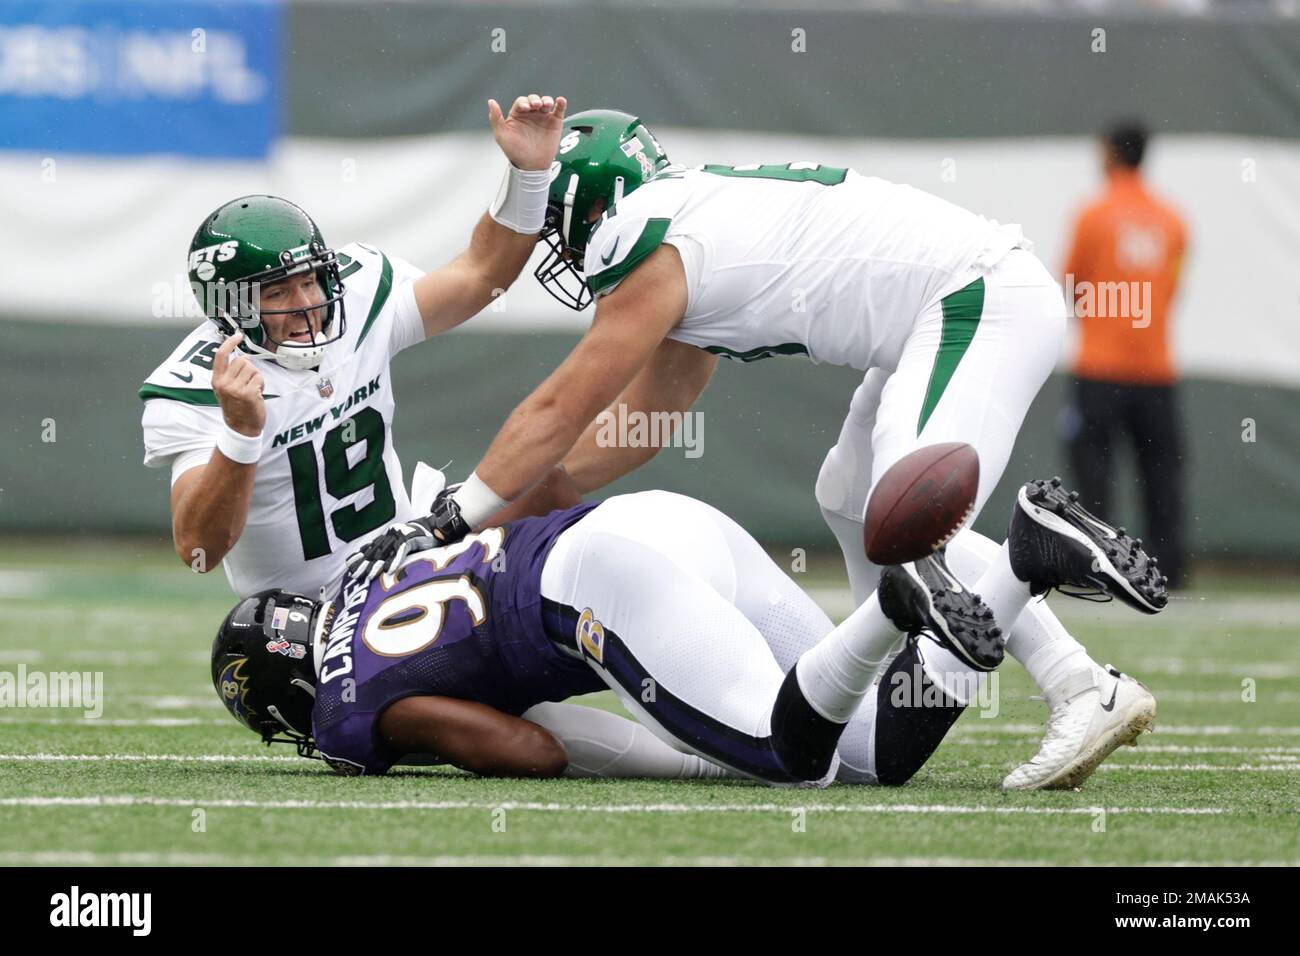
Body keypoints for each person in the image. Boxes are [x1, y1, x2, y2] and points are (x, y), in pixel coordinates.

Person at [350, 109, 1167, 790]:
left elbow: (564, 404)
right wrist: (537, 491)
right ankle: (1019, 655)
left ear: (588, 208)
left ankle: (1074, 668)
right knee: (851, 500)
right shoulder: (686, 225)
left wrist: (450, 517)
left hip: (974, 304)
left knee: (907, 524)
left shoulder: (640, 235)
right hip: (948, 310)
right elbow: (651, 415)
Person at [214, 473, 1165, 787]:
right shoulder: (379, 573)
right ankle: (1023, 557)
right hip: (661, 523)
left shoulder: (343, 708)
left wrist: (424, 743)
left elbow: (528, 751)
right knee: (872, 751)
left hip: (597, 587)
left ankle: (895, 601)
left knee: (788, 756)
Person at [139, 94, 568, 599]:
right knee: (250, 655)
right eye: (277, 292)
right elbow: (199, 551)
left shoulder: (360, 298)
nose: (305, 305)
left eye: (310, 281)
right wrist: (240, 433)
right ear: (229, 308)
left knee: (548, 488)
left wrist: (528, 172)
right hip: (304, 616)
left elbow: (482, 274)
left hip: (405, 563)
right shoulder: (195, 387)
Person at [1063, 121, 1189, 588]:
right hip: (1156, 369)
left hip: (1099, 367)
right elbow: (1173, 288)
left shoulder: (1093, 214)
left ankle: (1095, 568)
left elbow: (1072, 284)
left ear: (1112, 153)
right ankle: (1169, 572)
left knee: (1093, 473)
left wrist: (1102, 325)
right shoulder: (1173, 219)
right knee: (1161, 473)